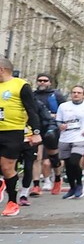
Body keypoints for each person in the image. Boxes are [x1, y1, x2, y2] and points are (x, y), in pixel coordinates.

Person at [0, 58, 44, 216]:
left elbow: (32, 110)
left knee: (7, 167)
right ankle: (2, 183)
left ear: (1, 69)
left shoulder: (21, 85)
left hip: (13, 132)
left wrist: (36, 132)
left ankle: (12, 202)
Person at [54, 85, 84, 199]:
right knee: (68, 165)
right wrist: (60, 125)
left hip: (81, 137)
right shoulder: (63, 106)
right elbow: (58, 121)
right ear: (71, 94)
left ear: (83, 95)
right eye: (74, 92)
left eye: (79, 93)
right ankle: (72, 187)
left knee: (74, 161)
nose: (76, 94)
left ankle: (79, 185)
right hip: (65, 138)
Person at [32, 73, 65, 195]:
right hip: (36, 128)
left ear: (50, 82)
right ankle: (36, 185)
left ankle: (57, 178)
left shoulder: (56, 95)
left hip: (52, 128)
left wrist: (53, 116)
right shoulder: (32, 95)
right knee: (37, 157)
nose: (42, 83)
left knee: (52, 158)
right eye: (39, 80)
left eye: (45, 81)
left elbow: (65, 111)